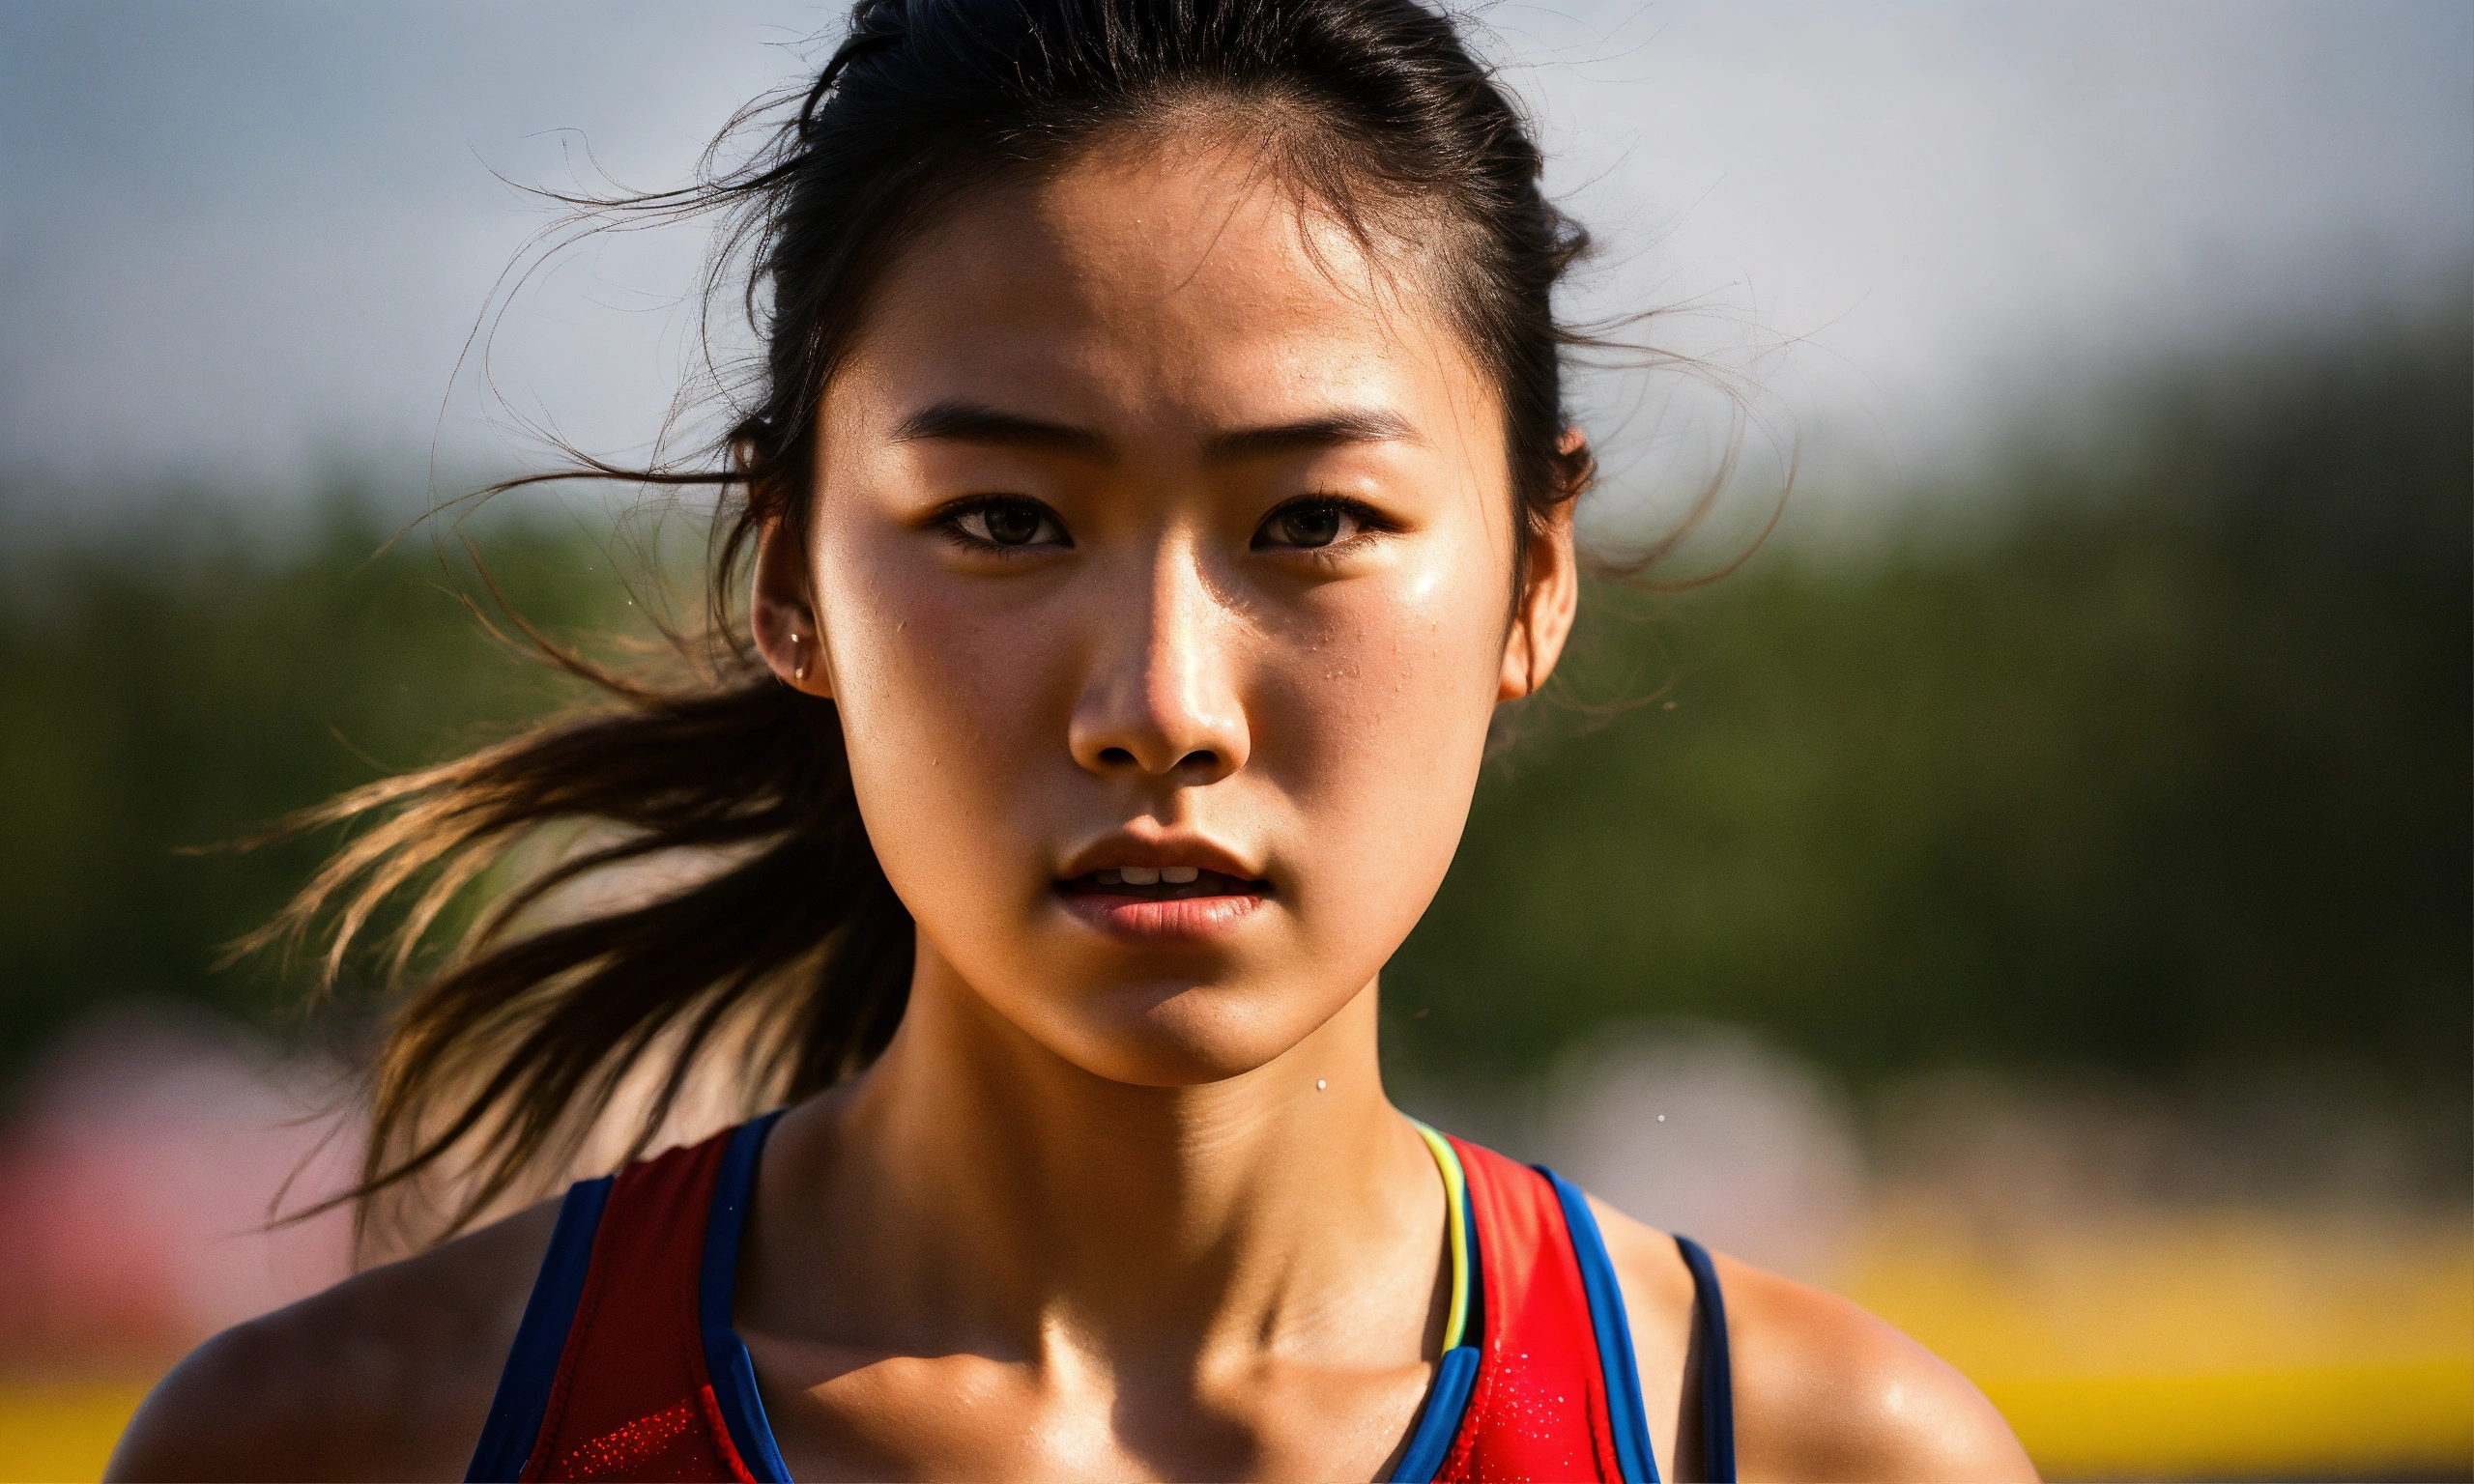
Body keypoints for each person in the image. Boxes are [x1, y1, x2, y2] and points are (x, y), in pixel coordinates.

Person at [109, 0, 2034, 1477]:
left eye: (1310, 524)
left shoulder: (1816, 1453)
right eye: (1005, 523)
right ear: (786, 576)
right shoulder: (357, 1445)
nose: (1157, 709)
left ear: (1536, 573)